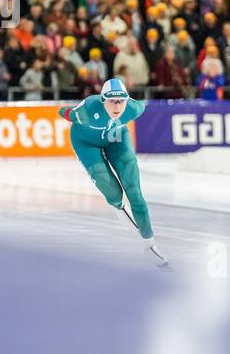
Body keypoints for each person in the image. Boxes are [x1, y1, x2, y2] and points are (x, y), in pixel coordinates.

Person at [58, 78, 168, 267]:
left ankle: (149, 244)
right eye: (112, 101)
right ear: (103, 100)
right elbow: (64, 112)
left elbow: (145, 103)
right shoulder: (88, 110)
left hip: (116, 138)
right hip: (86, 142)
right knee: (110, 188)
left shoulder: (133, 109)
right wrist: (67, 111)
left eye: (121, 101)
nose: (117, 106)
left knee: (134, 192)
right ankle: (118, 205)